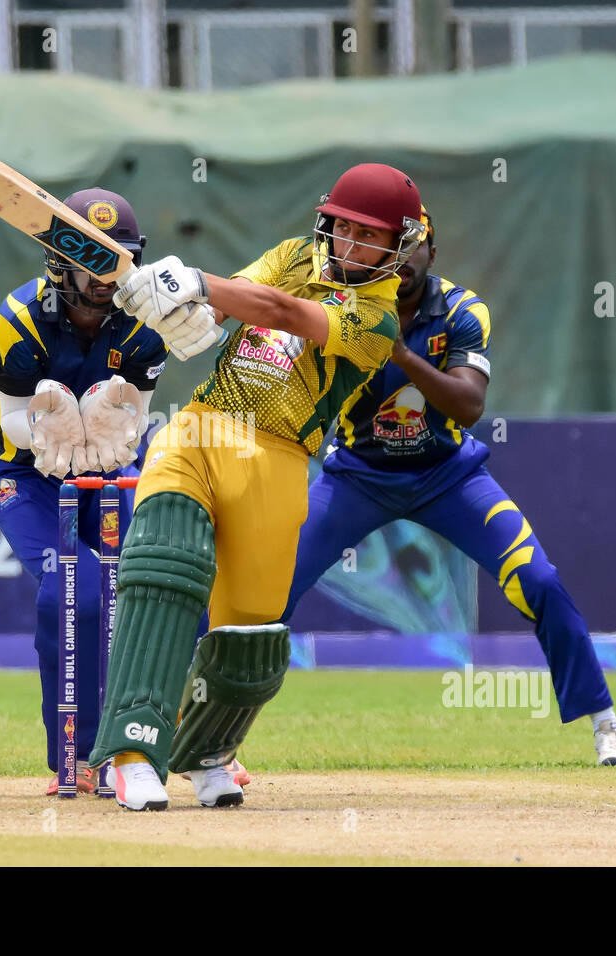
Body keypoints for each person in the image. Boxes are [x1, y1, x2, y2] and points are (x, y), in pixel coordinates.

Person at [89, 164, 425, 810]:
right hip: (206, 427)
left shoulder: (381, 323)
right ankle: (132, 754)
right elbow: (246, 291)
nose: (351, 244)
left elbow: (281, 311)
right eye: (344, 227)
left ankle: (208, 753)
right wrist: (182, 306)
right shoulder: (297, 254)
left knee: (250, 633)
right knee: (163, 566)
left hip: (279, 459)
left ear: (398, 247)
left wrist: (194, 281)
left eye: (369, 236)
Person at [282, 206, 616, 767]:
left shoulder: (461, 311)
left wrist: (396, 351)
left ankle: (606, 722)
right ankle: (212, 735)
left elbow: (470, 404)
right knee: (268, 588)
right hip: (357, 473)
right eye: (387, 247)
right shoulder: (336, 305)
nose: (400, 263)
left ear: (430, 248)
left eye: (412, 247)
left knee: (538, 579)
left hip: (446, 475)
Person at [0, 189, 168, 796]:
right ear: (60, 258)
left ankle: (177, 745)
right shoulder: (18, 318)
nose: (107, 275)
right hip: (21, 469)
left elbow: (132, 420)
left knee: (146, 586)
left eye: (119, 258)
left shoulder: (147, 322)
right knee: (73, 590)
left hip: (102, 468)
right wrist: (43, 428)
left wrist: (118, 429)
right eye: (92, 259)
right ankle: (79, 755)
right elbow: (11, 424)